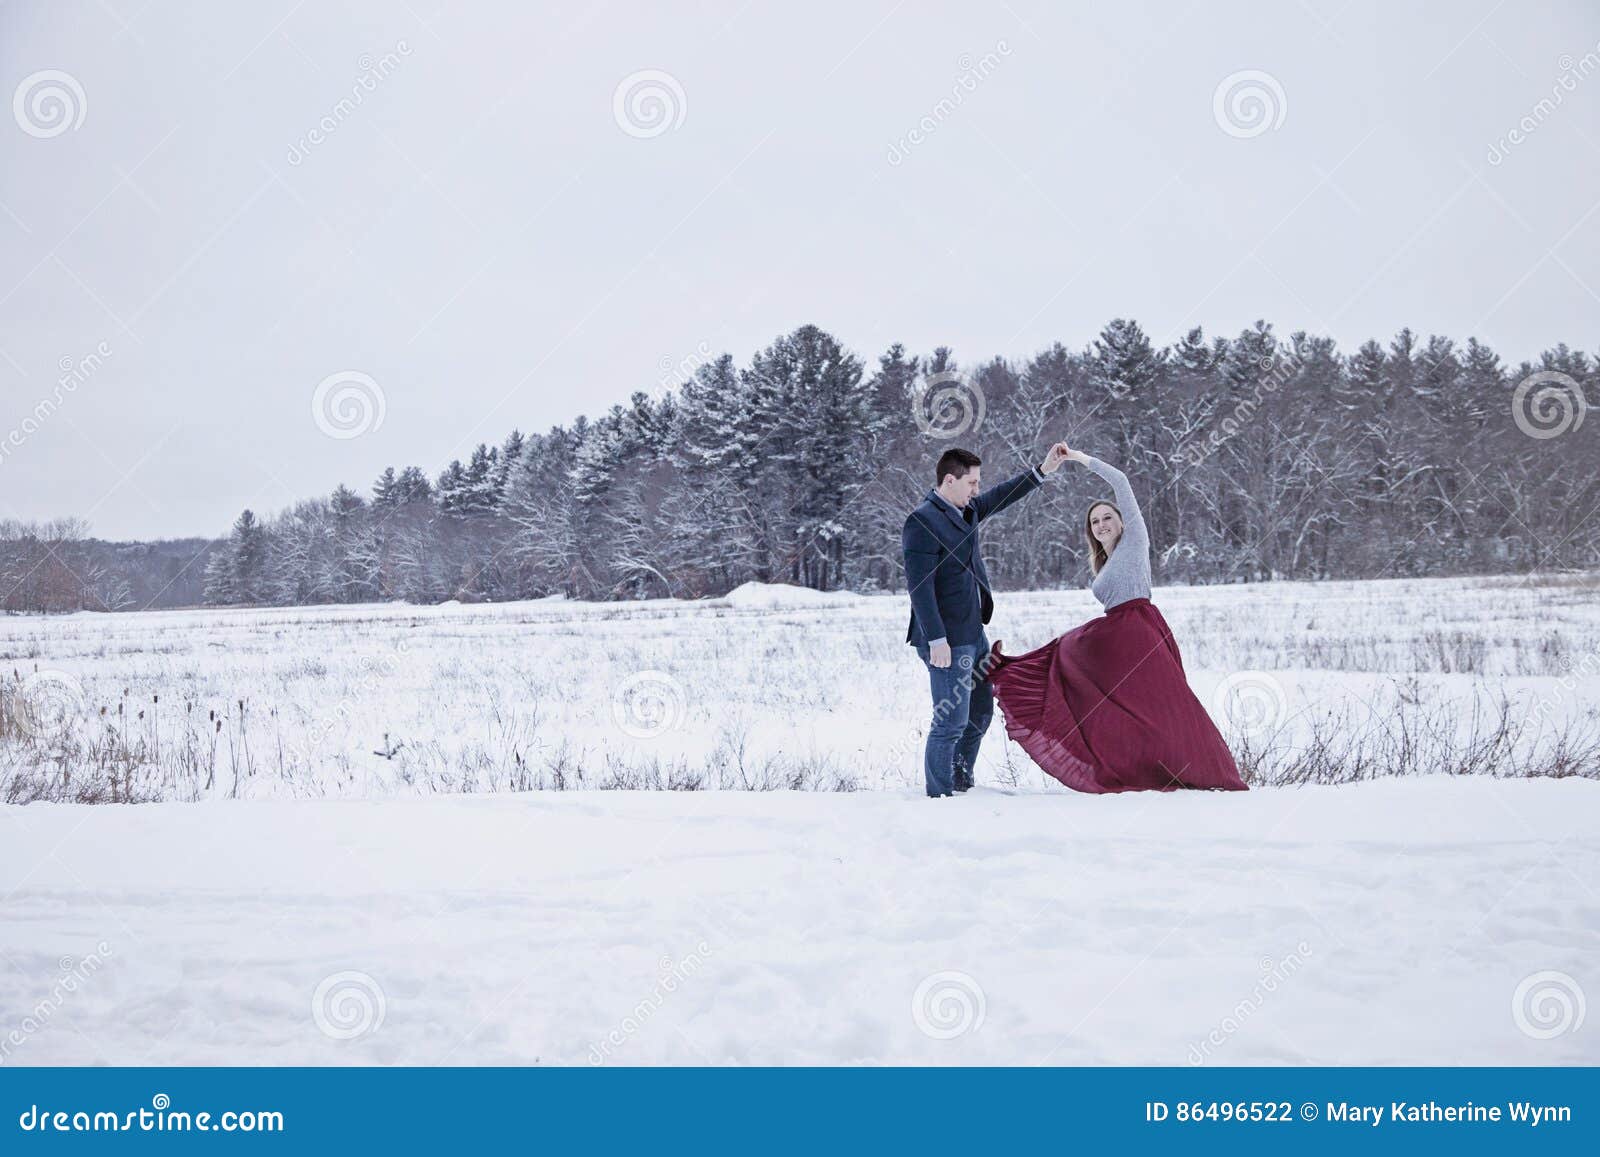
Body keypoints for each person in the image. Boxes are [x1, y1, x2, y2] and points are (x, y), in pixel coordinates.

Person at [986, 445, 1248, 793]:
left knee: (1166, 704)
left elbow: (1121, 481)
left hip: (1140, 630)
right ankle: (1135, 765)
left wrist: (1078, 459)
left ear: (1123, 521)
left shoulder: (1135, 541)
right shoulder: (1103, 564)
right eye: (1095, 522)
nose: (1101, 524)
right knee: (1107, 700)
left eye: (1107, 517)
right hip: (1115, 637)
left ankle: (1205, 771)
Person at [902, 441, 1071, 797]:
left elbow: (1001, 496)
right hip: (946, 639)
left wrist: (1042, 471)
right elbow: (920, 588)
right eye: (972, 483)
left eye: (978, 483)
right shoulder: (922, 521)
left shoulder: (967, 509)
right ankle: (940, 795)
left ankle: (962, 785)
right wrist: (936, 640)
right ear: (950, 481)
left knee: (978, 715)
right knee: (950, 721)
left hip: (973, 632)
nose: (977, 490)